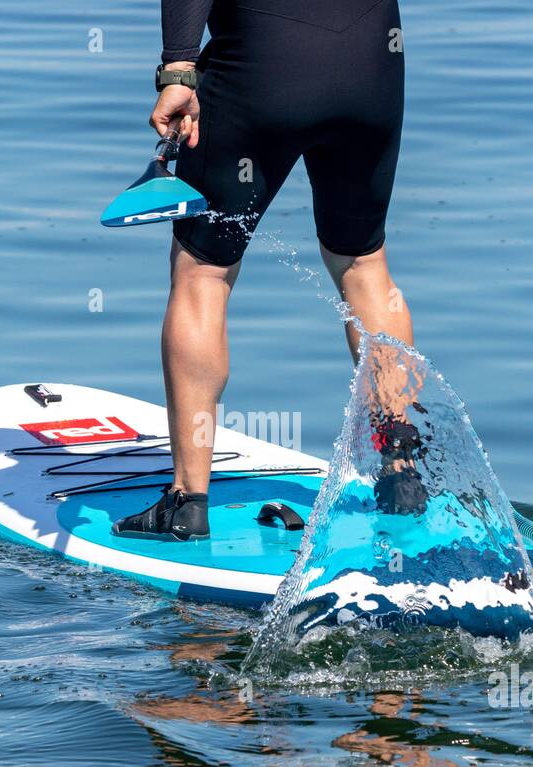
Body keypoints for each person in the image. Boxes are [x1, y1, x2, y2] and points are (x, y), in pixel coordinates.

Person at [113, 0, 415, 541]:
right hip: (373, 63)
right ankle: (403, 477)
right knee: (364, 265)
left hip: (262, 66)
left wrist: (178, 70)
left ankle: (186, 501)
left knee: (201, 274)